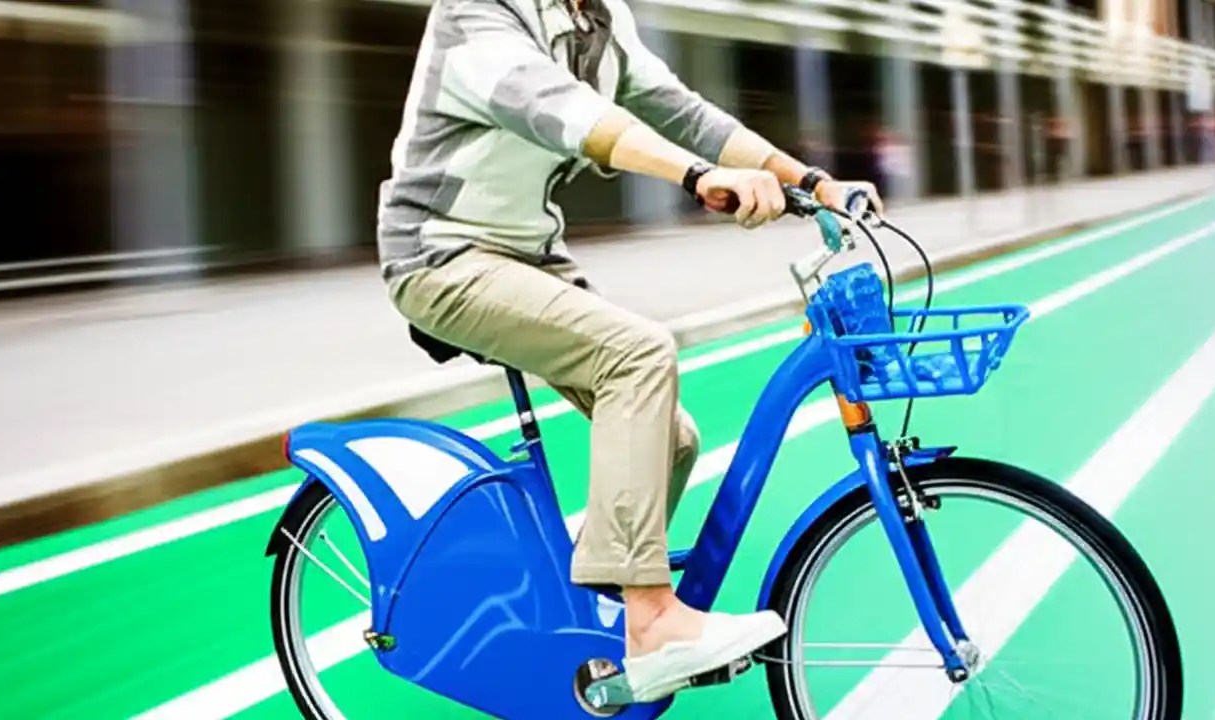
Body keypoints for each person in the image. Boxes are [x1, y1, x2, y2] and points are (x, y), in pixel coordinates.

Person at [377, 0, 882, 702]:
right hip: (441, 257)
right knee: (639, 354)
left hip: (528, 256)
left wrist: (814, 183)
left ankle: (594, 621)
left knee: (669, 438)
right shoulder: (477, 12)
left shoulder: (601, 20)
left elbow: (689, 115)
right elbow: (560, 111)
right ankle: (651, 624)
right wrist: (696, 177)